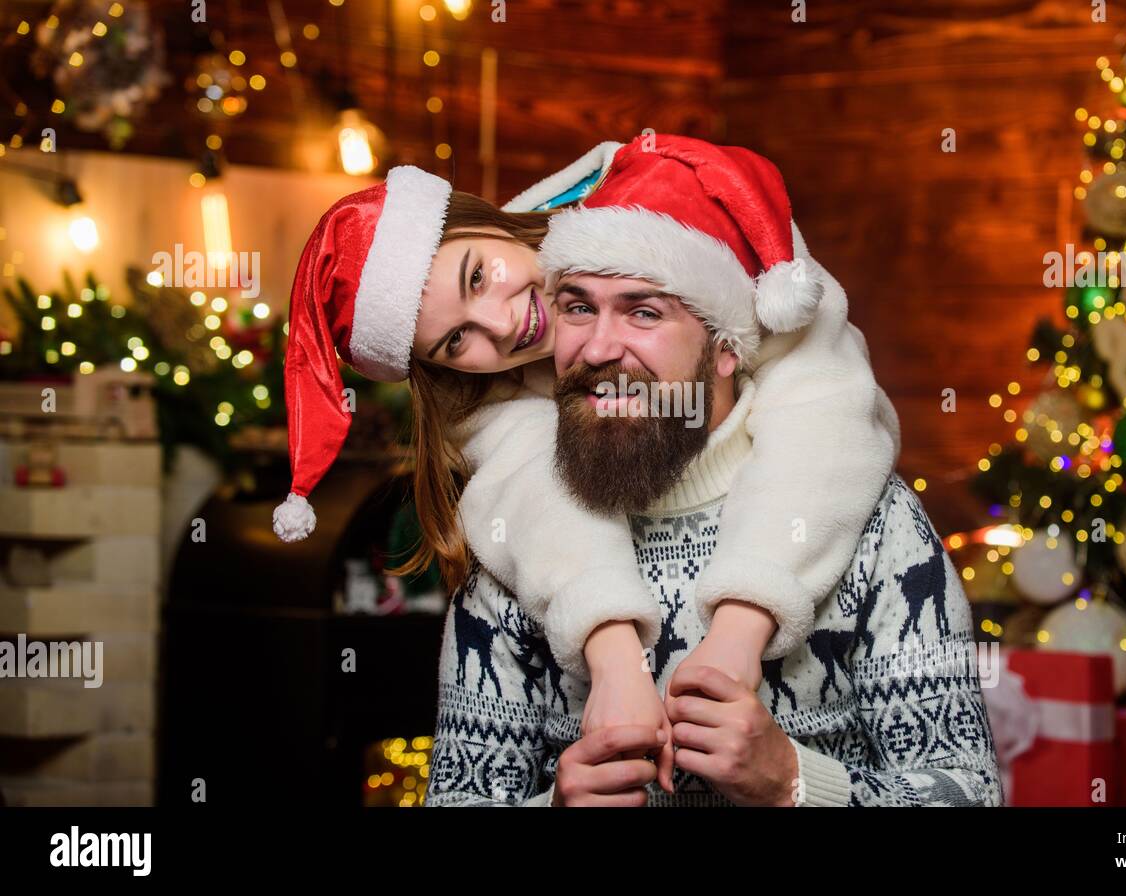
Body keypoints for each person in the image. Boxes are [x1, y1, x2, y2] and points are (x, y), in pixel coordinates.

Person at [274, 137, 901, 788]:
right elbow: (534, 493)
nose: (503, 322)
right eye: (457, 339)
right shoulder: (488, 399)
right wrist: (615, 658)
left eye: (478, 275)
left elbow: (826, 402)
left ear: (488, 221)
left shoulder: (670, 216)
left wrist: (738, 635)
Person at [422, 152, 1002, 803]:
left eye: (644, 312)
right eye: (578, 308)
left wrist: (796, 783)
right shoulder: (516, 541)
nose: (598, 348)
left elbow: (972, 793)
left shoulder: (875, 524)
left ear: (728, 348)